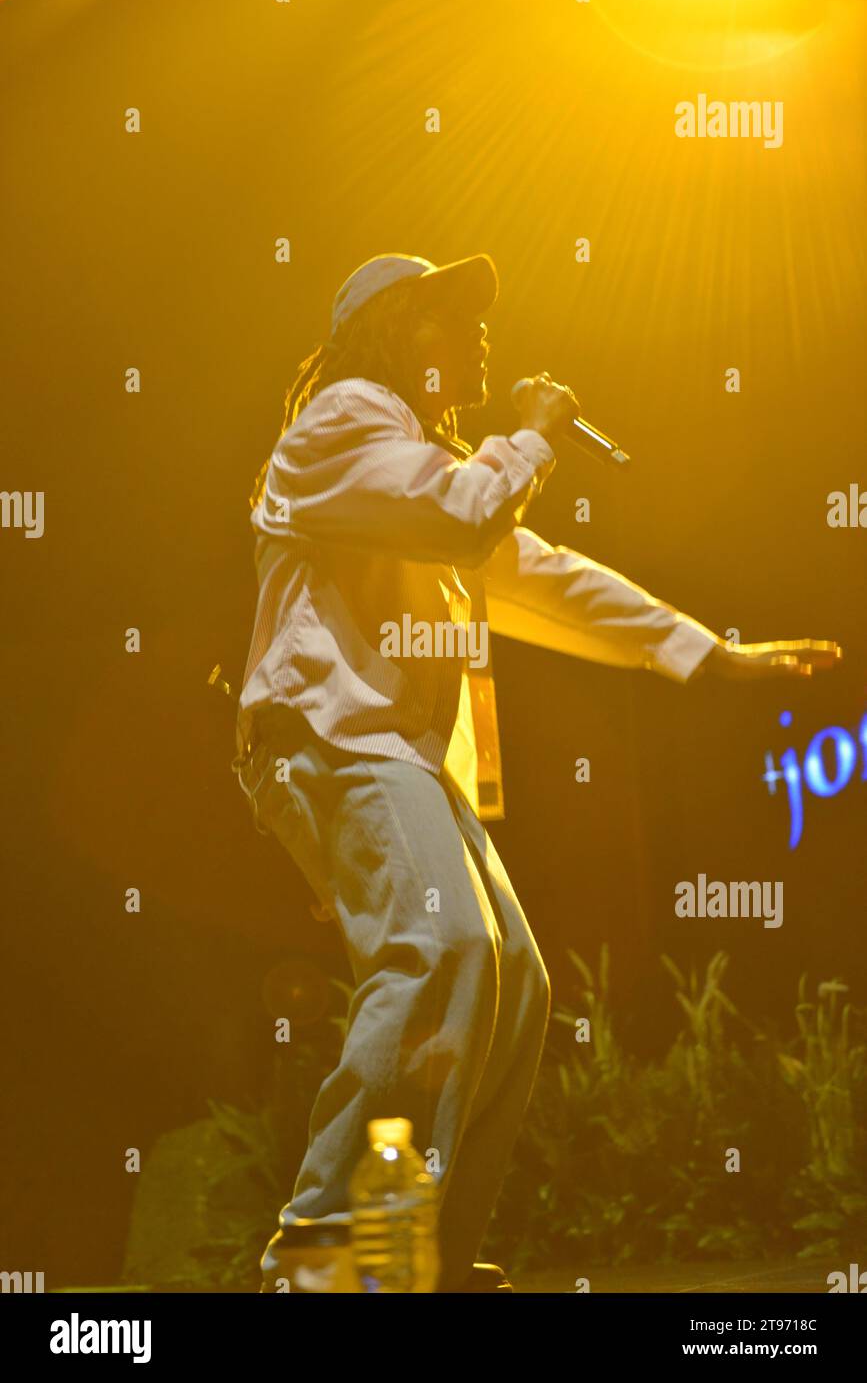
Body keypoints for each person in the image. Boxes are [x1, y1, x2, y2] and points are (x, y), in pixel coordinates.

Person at [233, 252, 840, 1293]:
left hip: (392, 752)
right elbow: (469, 512)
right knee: (444, 947)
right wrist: (534, 437)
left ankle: (418, 1249)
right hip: (326, 736)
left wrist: (702, 650)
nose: (478, 337)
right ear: (390, 329)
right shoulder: (341, 420)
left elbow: (542, 576)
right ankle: (323, 1253)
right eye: (451, 318)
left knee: (515, 983)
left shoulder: (424, 461)